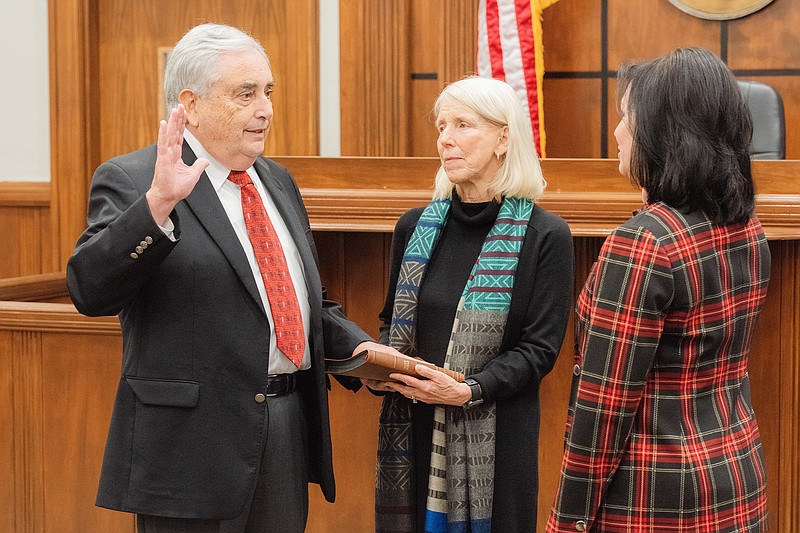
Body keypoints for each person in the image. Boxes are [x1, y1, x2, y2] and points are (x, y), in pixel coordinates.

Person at [66, 23, 387, 533]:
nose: (266, 109)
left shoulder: (277, 180)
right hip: (188, 449)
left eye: (268, 91)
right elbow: (89, 290)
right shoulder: (134, 179)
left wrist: (367, 353)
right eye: (245, 94)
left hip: (283, 429)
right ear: (189, 105)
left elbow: (304, 302)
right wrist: (157, 206)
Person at [547, 47, 770, 532]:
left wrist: (565, 524)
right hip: (735, 481)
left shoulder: (643, 245)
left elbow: (601, 413)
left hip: (654, 499)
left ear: (665, 133)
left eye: (626, 116)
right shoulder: (747, 230)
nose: (617, 132)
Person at [363, 76, 574, 532]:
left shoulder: (544, 236)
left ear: (503, 137)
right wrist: (381, 365)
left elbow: (539, 349)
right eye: (442, 127)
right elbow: (391, 322)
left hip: (498, 435)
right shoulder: (413, 227)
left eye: (463, 125)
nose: (446, 139)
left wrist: (470, 390)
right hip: (414, 428)